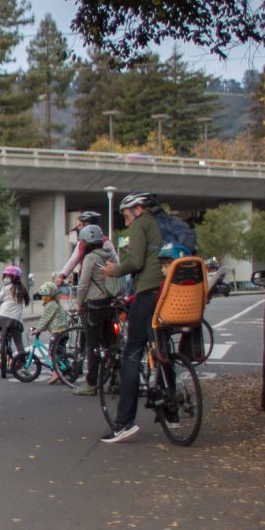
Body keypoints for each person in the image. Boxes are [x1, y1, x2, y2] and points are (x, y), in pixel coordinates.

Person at [100, 190, 166, 443]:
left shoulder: (141, 225)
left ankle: (124, 422)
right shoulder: (160, 224)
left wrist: (115, 270)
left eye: (126, 216)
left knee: (131, 353)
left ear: (138, 209)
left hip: (148, 291)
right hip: (166, 291)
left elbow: (136, 262)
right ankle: (171, 409)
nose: (126, 222)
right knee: (161, 350)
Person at [69, 224, 125, 397]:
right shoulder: (111, 255)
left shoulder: (90, 258)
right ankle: (116, 380)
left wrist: (79, 303)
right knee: (111, 344)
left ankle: (91, 383)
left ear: (86, 242)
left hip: (94, 304)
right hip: (111, 303)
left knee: (92, 345)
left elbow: (83, 284)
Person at [0, 265, 29, 378]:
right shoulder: (23, 289)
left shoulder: (7, 288)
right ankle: (23, 365)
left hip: (2, 317)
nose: (6, 278)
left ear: (13, 278)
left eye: (8, 276)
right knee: (19, 343)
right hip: (15, 320)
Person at [52, 211, 118, 286]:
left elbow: (115, 261)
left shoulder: (105, 242)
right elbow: (72, 261)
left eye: (80, 225)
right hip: (87, 282)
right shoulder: (81, 243)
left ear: (88, 226)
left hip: (103, 284)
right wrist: (62, 276)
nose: (78, 228)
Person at [32, 280, 69, 385]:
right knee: (60, 353)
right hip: (64, 331)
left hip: (57, 332)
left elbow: (45, 319)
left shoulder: (51, 305)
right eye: (42, 296)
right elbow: (50, 321)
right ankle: (67, 368)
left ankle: (56, 371)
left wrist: (38, 329)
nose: (44, 298)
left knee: (51, 352)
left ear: (51, 295)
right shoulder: (56, 303)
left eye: (46, 296)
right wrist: (42, 329)